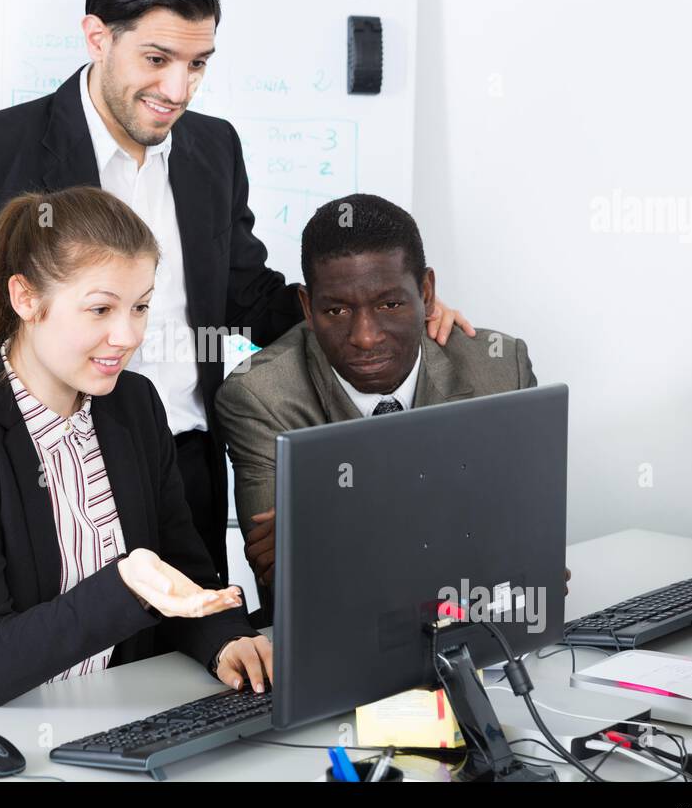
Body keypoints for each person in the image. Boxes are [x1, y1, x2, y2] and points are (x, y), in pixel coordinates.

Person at [0, 0, 474, 585]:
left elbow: (245, 296)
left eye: (197, 64)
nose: (177, 89)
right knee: (59, 668)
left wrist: (385, 313)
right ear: (97, 37)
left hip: (184, 466)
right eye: (157, 60)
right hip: (38, 466)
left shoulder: (214, 148)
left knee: (196, 663)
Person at [0, 186, 272, 731]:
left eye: (140, 306)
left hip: (93, 717)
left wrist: (224, 640)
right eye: (100, 309)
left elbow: (183, 568)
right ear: (25, 299)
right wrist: (125, 585)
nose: (127, 335)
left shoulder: (134, 406)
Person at [216, 194, 538, 621]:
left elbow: (530, 546)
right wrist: (468, 536)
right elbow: (291, 577)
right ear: (308, 308)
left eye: (389, 304)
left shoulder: (499, 367)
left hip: (487, 642)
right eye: (337, 309)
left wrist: (332, 528)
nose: (365, 337)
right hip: (341, 652)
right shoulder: (258, 396)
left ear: (426, 292)